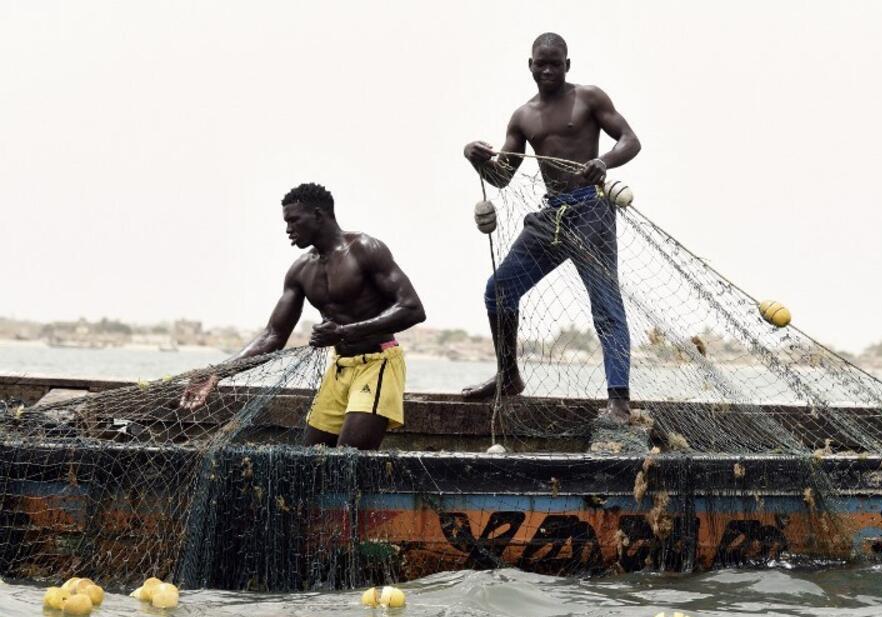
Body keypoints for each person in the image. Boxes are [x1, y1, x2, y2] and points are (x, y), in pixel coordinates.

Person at [462, 31, 641, 422]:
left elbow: (630, 140)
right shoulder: (523, 116)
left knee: (606, 306)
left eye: (554, 63)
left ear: (567, 65)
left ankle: (619, 402)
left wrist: (604, 163)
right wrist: (475, 158)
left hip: (591, 212)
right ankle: (508, 376)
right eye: (539, 64)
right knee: (499, 290)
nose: (547, 70)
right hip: (552, 216)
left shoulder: (589, 97)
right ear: (530, 65)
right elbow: (502, 177)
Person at [181, 183, 426, 450]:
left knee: (347, 460)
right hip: (340, 367)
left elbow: (412, 308)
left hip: (378, 363)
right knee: (310, 458)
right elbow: (273, 335)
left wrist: (345, 332)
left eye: (294, 220)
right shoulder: (300, 270)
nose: (288, 229)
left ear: (318, 215)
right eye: (286, 222)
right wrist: (218, 372)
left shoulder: (365, 249)